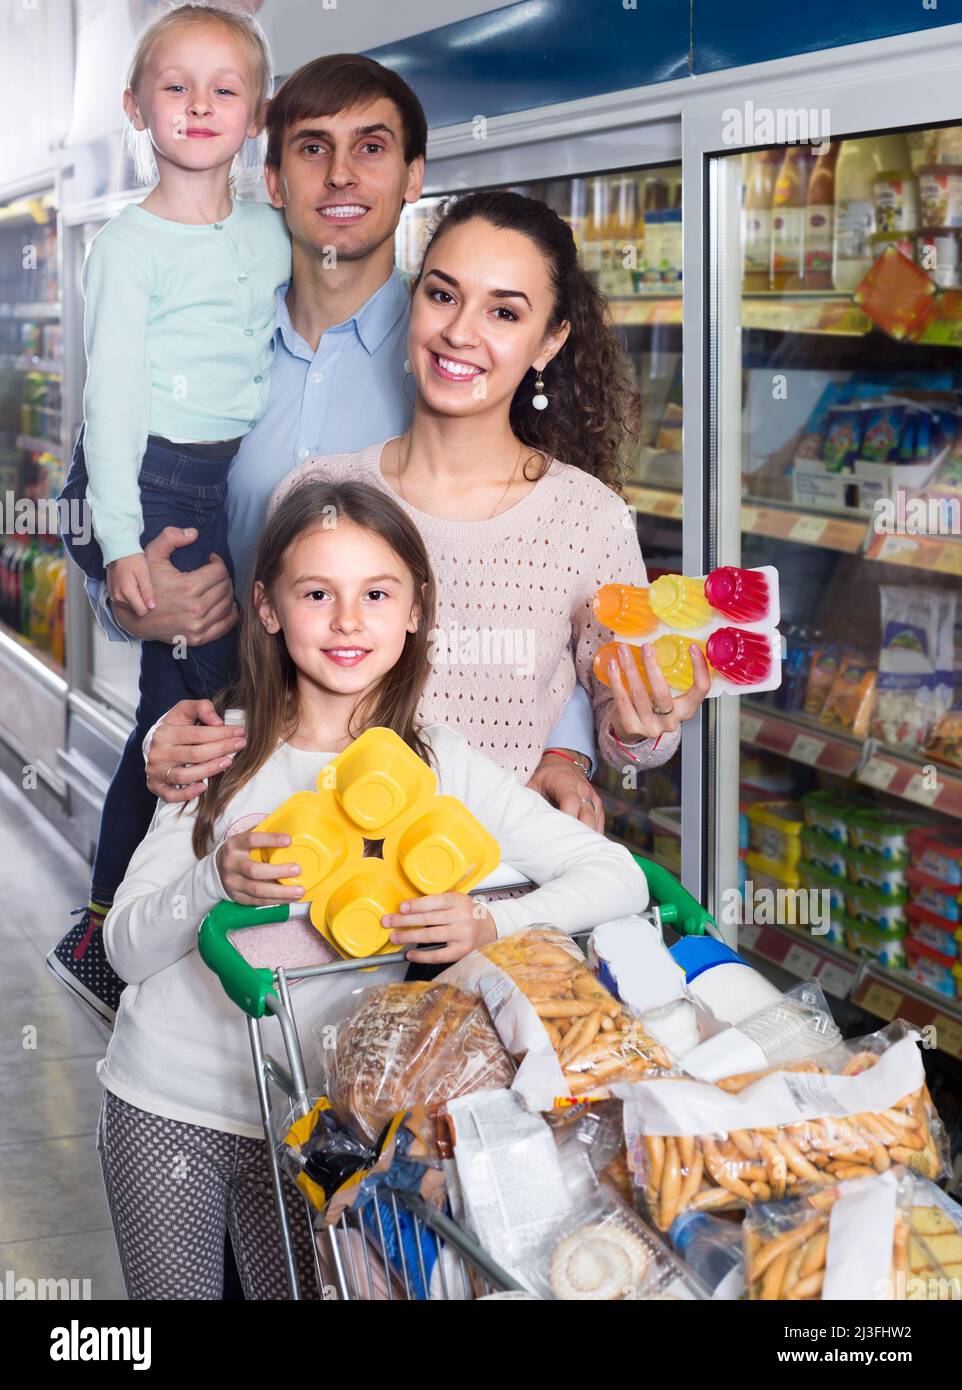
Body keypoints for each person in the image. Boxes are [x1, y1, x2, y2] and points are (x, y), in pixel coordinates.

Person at [51, 52, 597, 1025]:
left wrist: (569, 749)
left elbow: (540, 549)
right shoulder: (202, 334)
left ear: (413, 177)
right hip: (248, 784)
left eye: (371, 148)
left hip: (417, 811)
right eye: (312, 149)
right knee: (225, 1046)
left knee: (392, 1087)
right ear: (272, 180)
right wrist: (133, 600)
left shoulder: (453, 352)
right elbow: (93, 491)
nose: (341, 176)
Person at [96, 479, 649, 1299]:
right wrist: (216, 879)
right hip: (167, 1103)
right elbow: (126, 952)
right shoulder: (219, 750)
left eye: (377, 593)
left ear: (417, 610)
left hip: (321, 1122)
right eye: (317, 592)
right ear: (270, 608)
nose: (348, 620)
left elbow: (618, 877)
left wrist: (491, 926)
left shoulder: (440, 768)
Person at [268, 188, 712, 785]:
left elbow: (626, 731)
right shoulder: (317, 490)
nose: (458, 332)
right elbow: (263, 692)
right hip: (332, 869)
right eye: (443, 295)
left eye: (503, 312)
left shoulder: (588, 518)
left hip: (504, 870)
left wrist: (643, 724)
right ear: (414, 299)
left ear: (549, 342)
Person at [48, 3, 291, 1023]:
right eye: (175, 87)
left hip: (247, 481)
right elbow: (110, 403)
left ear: (258, 113)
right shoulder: (129, 245)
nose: (199, 105)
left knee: (188, 712)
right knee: (195, 725)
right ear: (135, 107)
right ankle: (121, 936)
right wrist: (116, 548)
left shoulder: (270, 228)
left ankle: (118, 929)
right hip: (166, 486)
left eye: (223, 88)